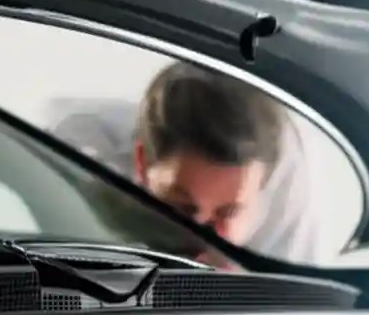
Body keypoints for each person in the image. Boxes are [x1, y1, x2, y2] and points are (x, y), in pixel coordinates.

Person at [47, 62, 328, 264]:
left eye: (227, 212)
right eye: (181, 207)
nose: (201, 237)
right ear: (142, 163)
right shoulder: (82, 154)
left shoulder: (290, 196)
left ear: (264, 185)